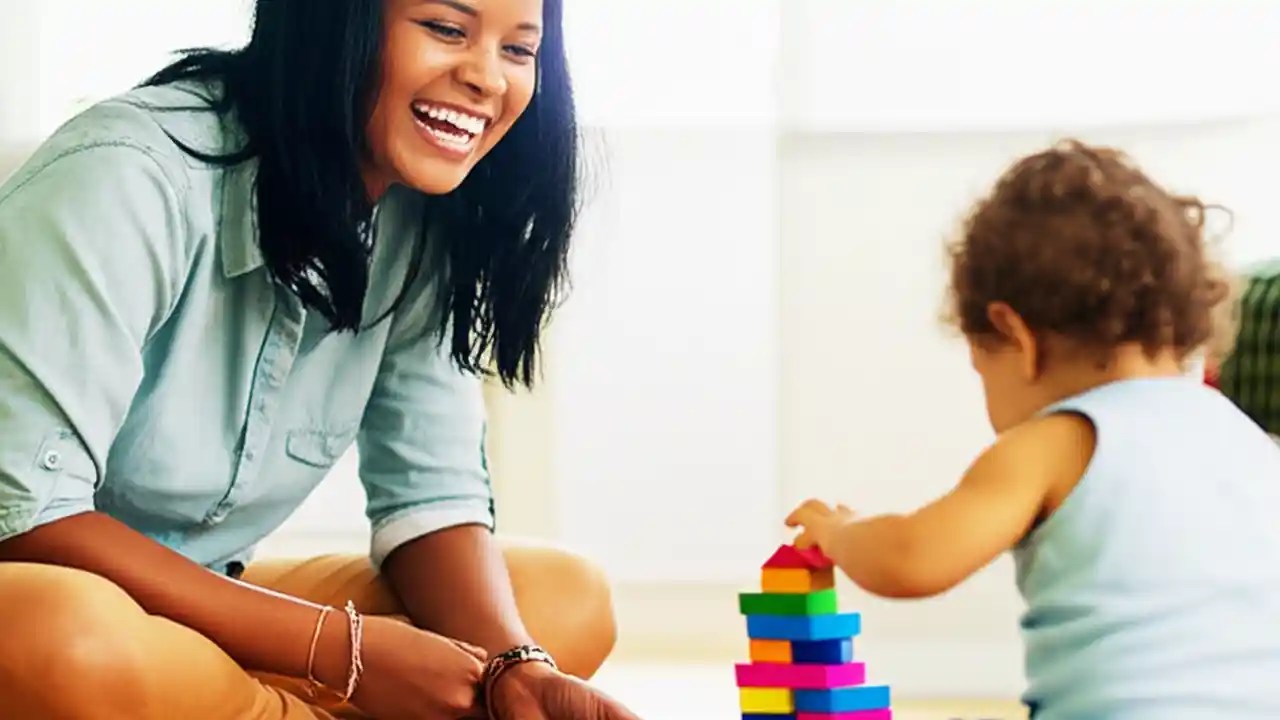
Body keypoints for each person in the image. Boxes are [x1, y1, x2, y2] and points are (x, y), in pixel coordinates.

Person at [0, 1, 640, 718]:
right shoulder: (128, 175)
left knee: (565, 599)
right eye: (447, 30)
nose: (486, 78)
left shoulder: (423, 218)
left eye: (519, 51)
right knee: (59, 637)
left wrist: (512, 668)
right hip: (44, 586)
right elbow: (27, 519)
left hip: (202, 614)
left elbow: (431, 499)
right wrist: (340, 653)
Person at [786, 140, 1280, 718]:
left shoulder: (1060, 442)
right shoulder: (1248, 439)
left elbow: (911, 558)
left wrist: (843, 532)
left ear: (1016, 339)